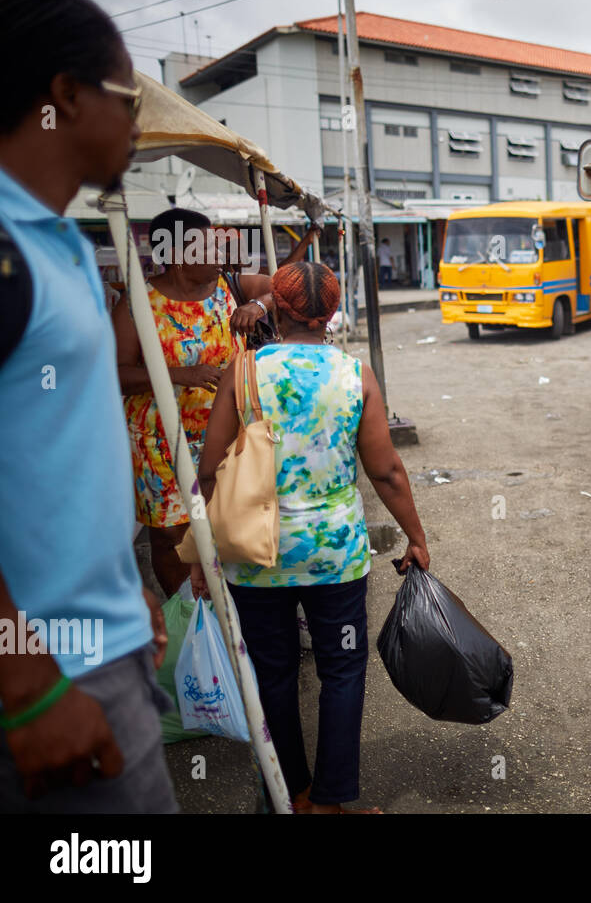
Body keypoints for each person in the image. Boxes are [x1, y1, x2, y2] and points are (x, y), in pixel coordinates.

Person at [0, 0, 175, 813]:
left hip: (103, 645)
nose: (138, 119)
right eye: (126, 94)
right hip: (51, 683)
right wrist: (25, 679)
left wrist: (113, 579)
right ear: (63, 97)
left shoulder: (61, 242)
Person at [192, 261, 429, 814]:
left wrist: (203, 553)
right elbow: (387, 471)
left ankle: (290, 796)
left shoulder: (243, 370)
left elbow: (208, 469)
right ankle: (331, 802)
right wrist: (415, 537)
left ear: (278, 304)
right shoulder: (355, 375)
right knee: (342, 670)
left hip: (254, 555)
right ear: (333, 312)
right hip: (333, 557)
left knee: (271, 674)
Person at [112, 209, 269, 594]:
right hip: (162, 446)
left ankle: (236, 610)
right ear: (181, 256)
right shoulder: (138, 304)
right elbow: (114, 373)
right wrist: (181, 375)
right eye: (210, 246)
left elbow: (288, 284)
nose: (220, 252)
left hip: (229, 438)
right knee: (171, 538)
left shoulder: (231, 285)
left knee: (230, 526)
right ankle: (190, 616)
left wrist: (259, 305)